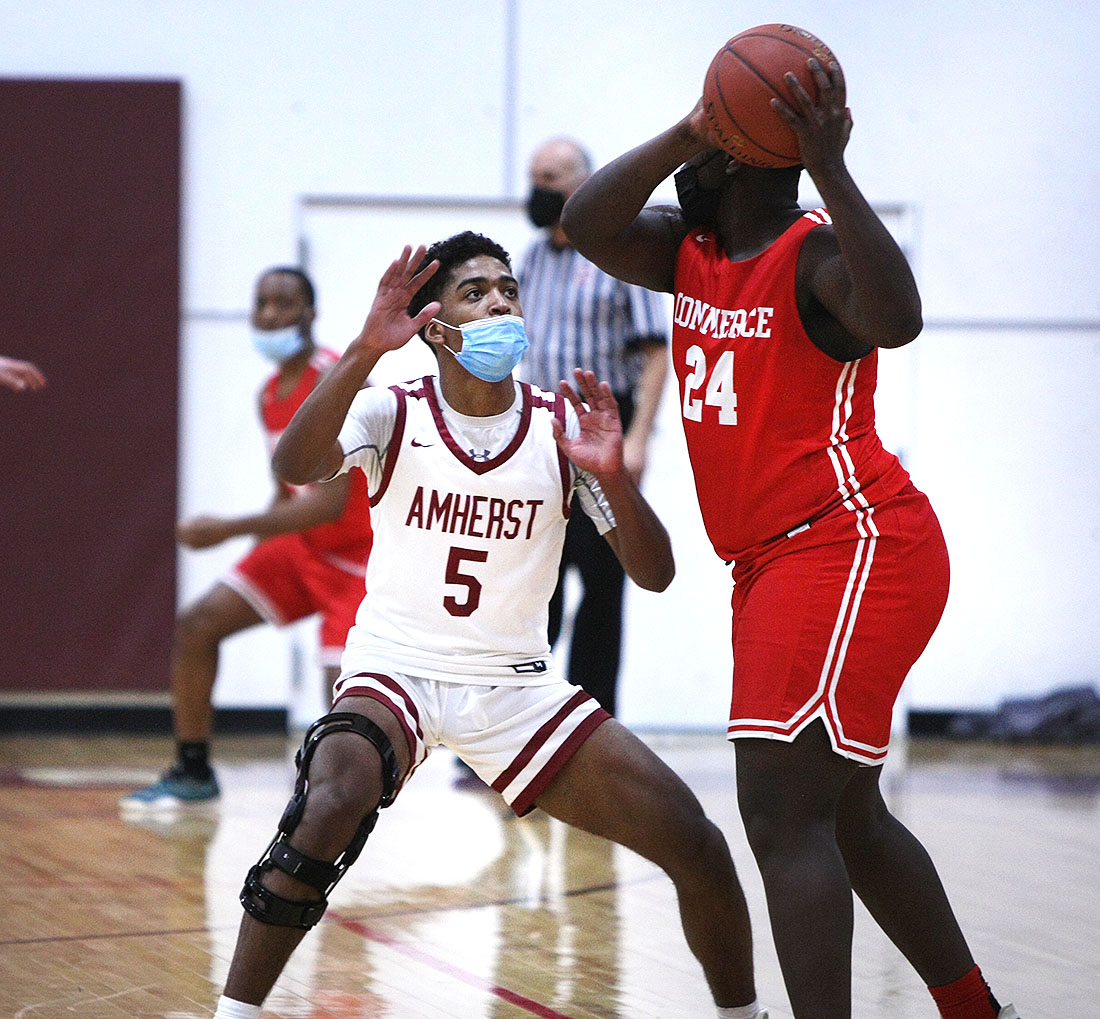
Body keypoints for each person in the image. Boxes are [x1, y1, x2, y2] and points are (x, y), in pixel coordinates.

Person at [560, 58, 1019, 1019]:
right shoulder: (685, 248)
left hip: (851, 543)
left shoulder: (814, 256)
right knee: (843, 814)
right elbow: (585, 222)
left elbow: (900, 319)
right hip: (777, 560)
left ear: (751, 164)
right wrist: (695, 126)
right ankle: (976, 1011)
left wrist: (829, 165)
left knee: (777, 810)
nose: (689, 164)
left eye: (714, 144)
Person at [211, 234, 764, 1019]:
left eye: (508, 290)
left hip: (515, 687)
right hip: (395, 668)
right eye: (476, 293)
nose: (501, 302)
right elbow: (301, 465)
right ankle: (234, 1012)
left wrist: (612, 474)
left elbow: (657, 571)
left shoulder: (559, 427)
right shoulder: (391, 408)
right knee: (328, 804)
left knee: (698, 844)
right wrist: (368, 345)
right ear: (435, 325)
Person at [121, 267, 373, 810]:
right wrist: (247, 557)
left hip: (363, 560)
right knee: (198, 623)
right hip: (307, 548)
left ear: (311, 312)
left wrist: (226, 528)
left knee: (342, 690)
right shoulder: (269, 393)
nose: (270, 314)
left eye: (284, 303)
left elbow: (328, 502)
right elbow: (286, 493)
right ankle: (193, 772)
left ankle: (333, 807)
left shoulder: (334, 380)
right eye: (261, 303)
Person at [517, 137, 670, 716]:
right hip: (542, 433)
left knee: (602, 582)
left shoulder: (617, 253)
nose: (539, 187)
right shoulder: (530, 258)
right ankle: (520, 718)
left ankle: (592, 725)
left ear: (583, 182)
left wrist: (638, 440)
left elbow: (657, 352)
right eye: (533, 175)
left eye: (551, 175)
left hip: (606, 430)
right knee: (536, 578)